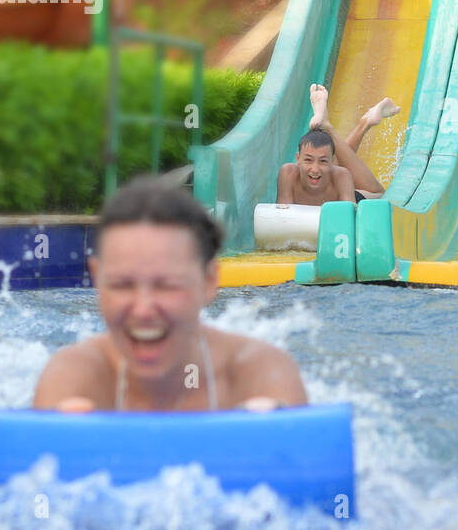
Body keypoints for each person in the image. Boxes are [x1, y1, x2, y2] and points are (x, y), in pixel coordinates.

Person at [33, 177, 308, 413]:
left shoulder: (258, 374)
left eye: (166, 285)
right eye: (122, 284)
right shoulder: (73, 377)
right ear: (98, 279)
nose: (142, 310)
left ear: (209, 280)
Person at [277, 83, 400, 206]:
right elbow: (281, 216)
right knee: (323, 158)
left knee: (380, 195)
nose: (314, 169)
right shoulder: (288, 173)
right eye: (308, 160)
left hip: (342, 198)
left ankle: (346, 125)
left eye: (323, 162)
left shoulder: (341, 175)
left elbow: (347, 218)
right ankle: (359, 123)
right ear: (297, 158)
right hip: (332, 188)